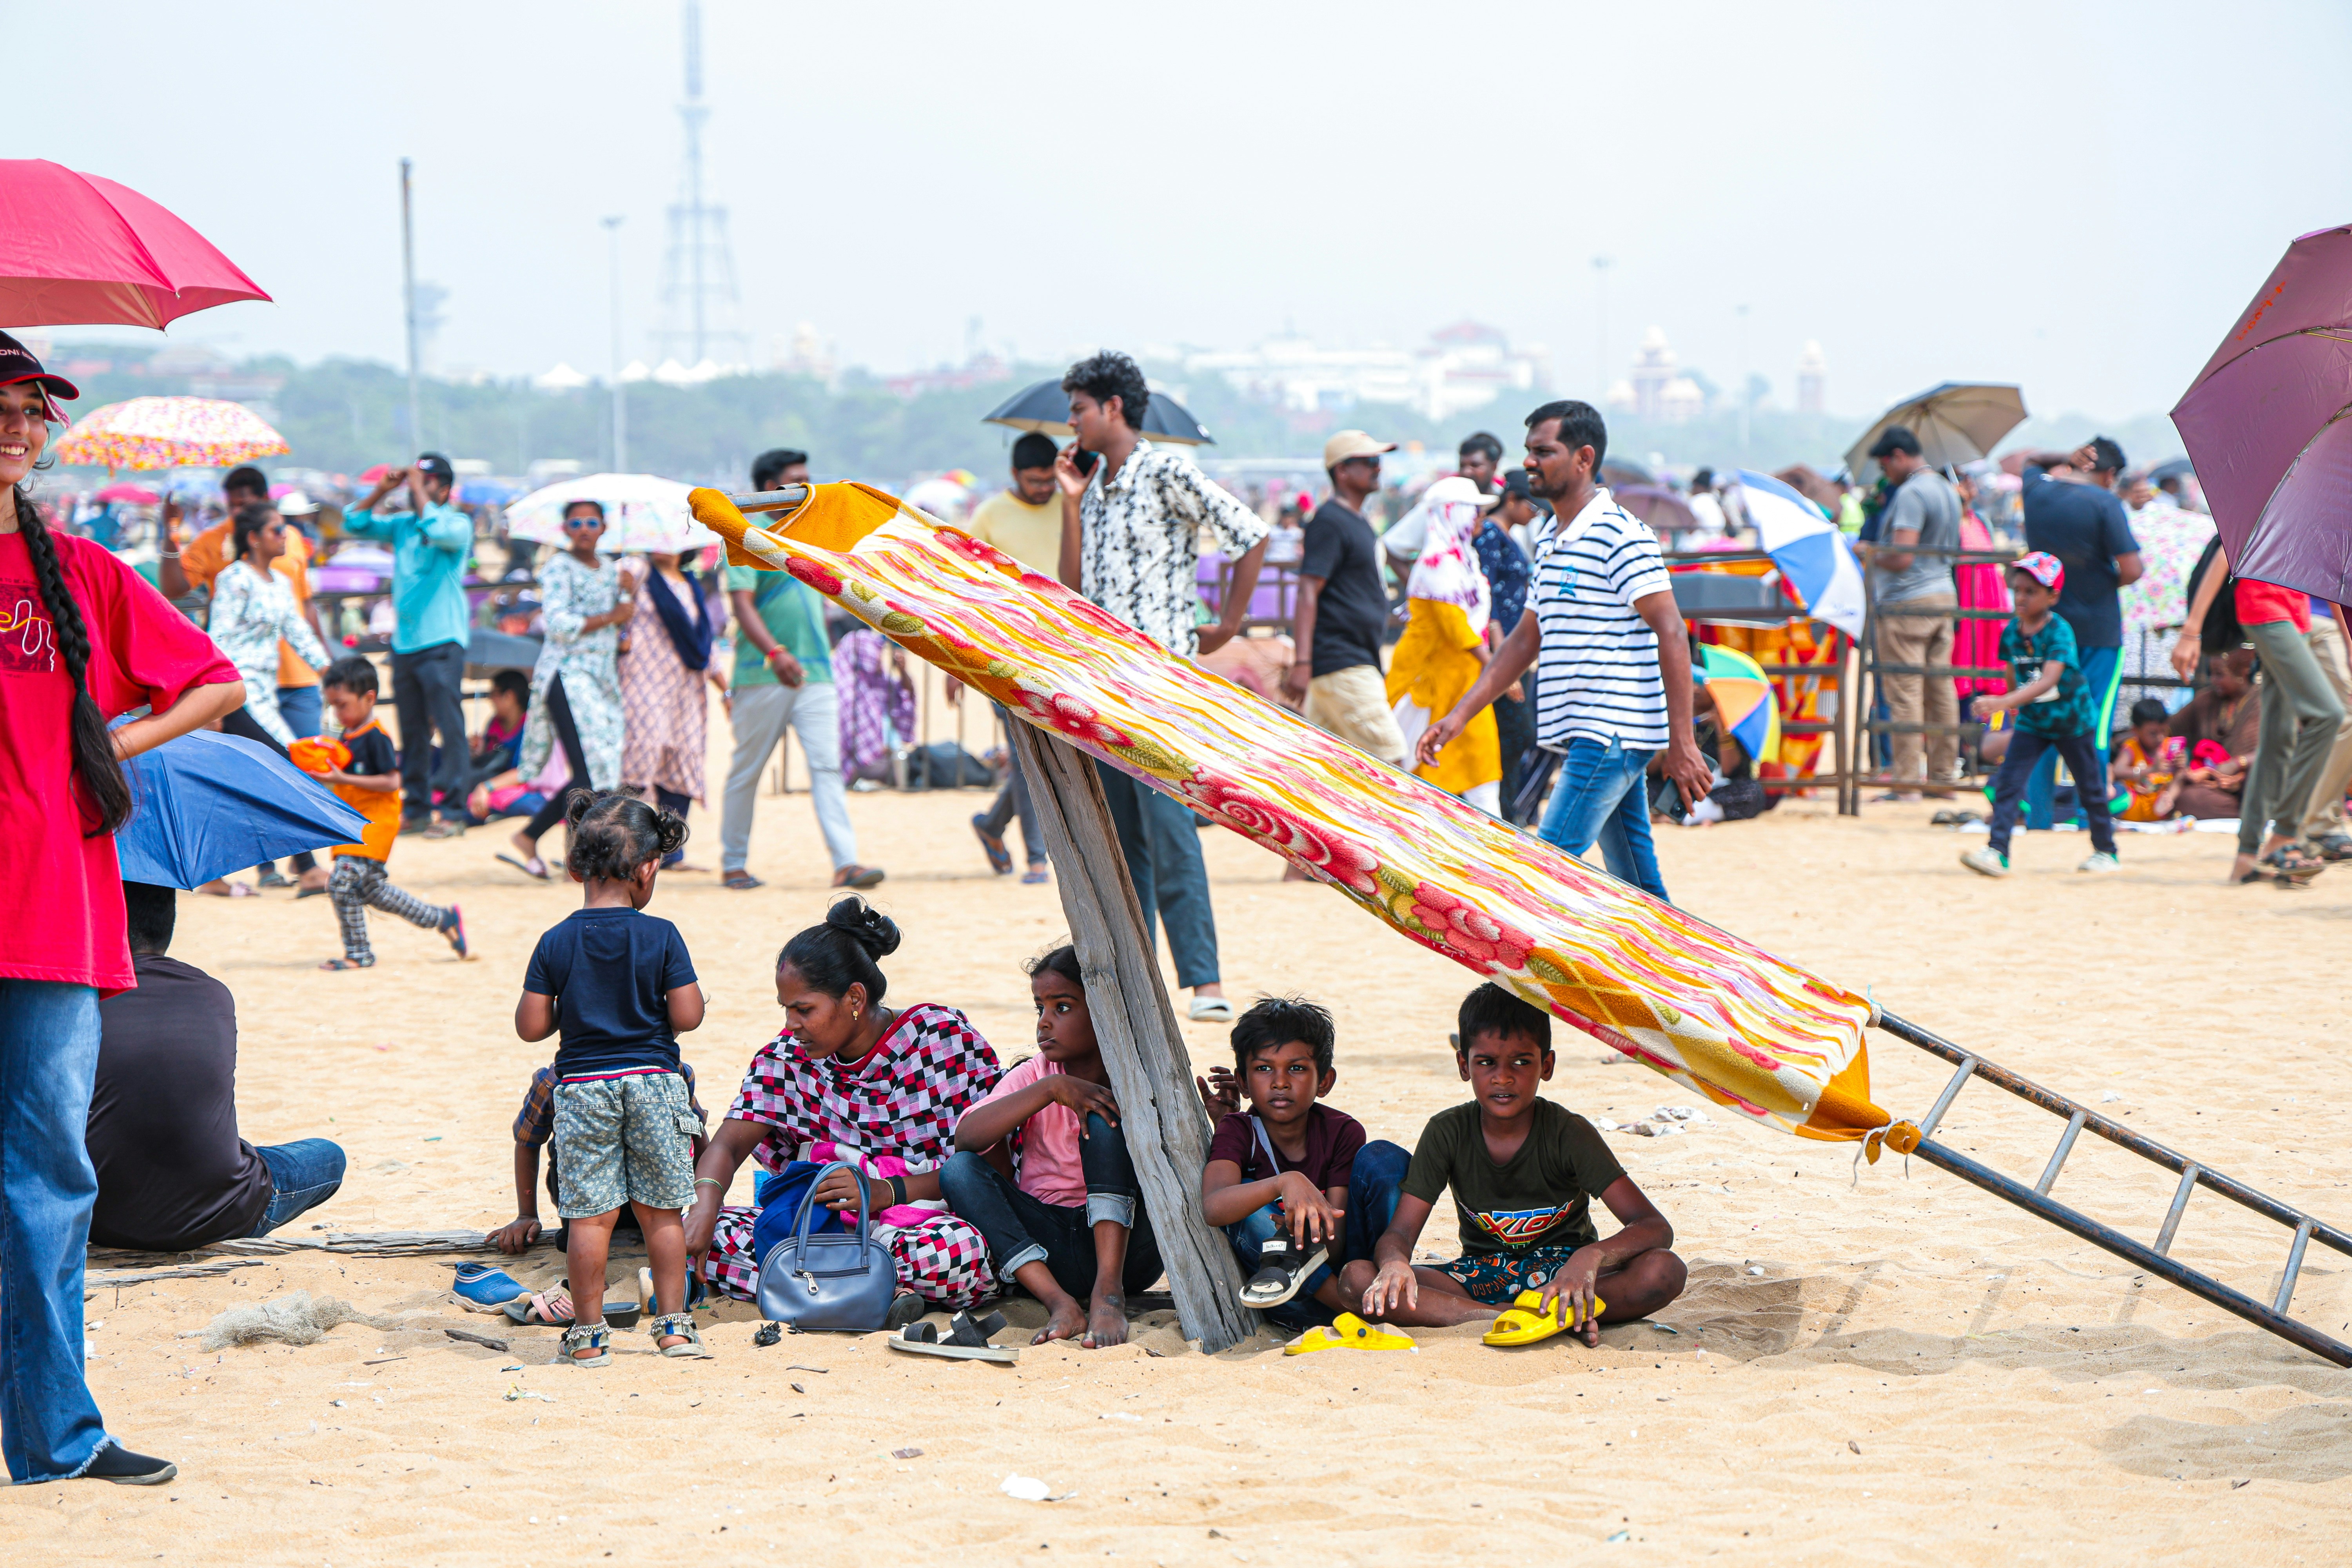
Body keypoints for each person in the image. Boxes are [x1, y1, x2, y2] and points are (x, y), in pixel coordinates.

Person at [0, 333, 247, 1487]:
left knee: (51, 1178)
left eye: (32, 407)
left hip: (52, 913)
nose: (18, 424)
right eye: (1, 403)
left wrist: (100, 738)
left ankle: (55, 1437)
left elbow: (216, 681)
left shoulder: (85, 573)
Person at [1416, 401, 1710, 902]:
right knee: (1636, 881)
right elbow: (1525, 639)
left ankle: (1509, 985)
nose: (1530, 462)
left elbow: (1673, 632)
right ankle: (1685, 975)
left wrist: (1681, 741)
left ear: (1583, 458)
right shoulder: (1551, 537)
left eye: (1544, 451)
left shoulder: (1620, 535)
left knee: (1545, 872)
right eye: (1529, 451)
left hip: (1611, 729)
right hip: (1590, 732)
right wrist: (1459, 715)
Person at [1054, 350, 1267, 1022]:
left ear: (1113, 407)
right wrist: (1069, 503)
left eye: (1080, 409)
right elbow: (1071, 590)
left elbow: (1250, 535)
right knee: (1123, 838)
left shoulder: (1167, 470)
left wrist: (1229, 622)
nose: (1074, 422)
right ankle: (1141, 979)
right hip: (1106, 681)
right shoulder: (1095, 487)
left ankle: (1205, 982)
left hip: (1164, 684)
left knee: (1172, 828)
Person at [684, 900, 1000, 1312]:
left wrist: (886, 1192)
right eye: (786, 1009)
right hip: (821, 1231)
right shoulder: (788, 1059)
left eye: (804, 1009)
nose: (791, 1024)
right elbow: (727, 1145)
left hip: (920, 1223)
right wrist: (706, 1203)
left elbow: (990, 1166)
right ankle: (878, 1290)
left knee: (957, 1252)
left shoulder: (941, 1042)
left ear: (854, 998)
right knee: (718, 1233)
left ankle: (806, 1288)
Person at [1340, 984, 1686, 1340]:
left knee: (1663, 1270)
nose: (1503, 1077)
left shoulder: (1570, 1133)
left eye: (1521, 1062)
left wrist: (1589, 1258)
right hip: (1482, 1276)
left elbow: (1654, 1227)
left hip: (1564, 1275)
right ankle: (1512, 1318)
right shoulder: (1447, 1131)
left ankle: (1541, 1312)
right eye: (1486, 1062)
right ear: (1464, 1064)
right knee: (1359, 1280)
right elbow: (1399, 1234)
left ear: (1546, 1065)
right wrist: (1395, 1263)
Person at [514, 792, 709, 1363]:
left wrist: (565, 1005)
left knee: (590, 1220)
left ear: (576, 868)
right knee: (662, 1215)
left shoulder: (556, 941)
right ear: (648, 868)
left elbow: (531, 1027)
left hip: (583, 1090)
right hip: (652, 1082)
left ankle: (588, 1337)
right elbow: (687, 1017)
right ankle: (674, 1328)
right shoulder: (662, 935)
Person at [91, 882, 348, 1250]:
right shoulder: (211, 991)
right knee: (327, 1156)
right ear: (169, 924)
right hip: (220, 1213)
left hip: (98, 1220)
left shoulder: (80, 998)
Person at [941, 946, 1159, 1348]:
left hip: (1129, 1249)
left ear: (1104, 1012)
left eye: (1063, 1007)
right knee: (958, 1171)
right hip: (1049, 1247)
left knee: (1100, 1116)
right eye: (1040, 1007)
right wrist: (1051, 1090)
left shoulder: (1140, 1074)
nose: (1044, 1023)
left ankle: (1108, 1295)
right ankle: (1060, 1303)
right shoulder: (1037, 1075)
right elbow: (968, 1138)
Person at [718, 448, 882, 892]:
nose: (805, 489)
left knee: (828, 767)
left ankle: (846, 863)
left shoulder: (808, 534)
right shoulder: (744, 533)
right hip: (761, 671)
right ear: (770, 488)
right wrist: (774, 653)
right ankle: (734, 862)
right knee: (748, 769)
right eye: (796, 482)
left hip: (816, 670)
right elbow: (741, 604)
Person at [1195, 996, 1409, 1330]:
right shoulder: (1239, 1130)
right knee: (1249, 1202)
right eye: (1264, 1069)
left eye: (1296, 1068)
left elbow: (1335, 1246)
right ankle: (1355, 1309)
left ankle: (1375, 1286)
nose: (1280, 1082)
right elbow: (1213, 1206)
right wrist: (1284, 1183)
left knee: (1386, 1158)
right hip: (1285, 1296)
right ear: (1243, 1082)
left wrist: (1302, 1215)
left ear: (1324, 1081)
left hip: (1351, 1273)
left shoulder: (1342, 1131)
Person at [165, 471, 331, 893]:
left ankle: (220, 871)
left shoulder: (276, 583)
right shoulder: (235, 579)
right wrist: (212, 703)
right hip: (233, 692)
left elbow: (298, 631)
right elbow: (216, 639)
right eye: (278, 529)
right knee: (282, 763)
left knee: (248, 776)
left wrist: (332, 672)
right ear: (255, 538)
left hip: (263, 695)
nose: (285, 535)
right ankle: (306, 866)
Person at [2171, 545, 2343, 884]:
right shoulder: (2278, 493)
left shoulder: (2316, 503)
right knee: (2327, 715)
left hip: (2299, 615)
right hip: (2263, 607)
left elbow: (2330, 575)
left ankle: (2247, 858)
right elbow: (2227, 554)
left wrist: (2349, 641)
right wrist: (2191, 630)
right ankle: (2285, 833)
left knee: (2278, 739)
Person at [1960, 553, 2121, 878]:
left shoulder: (2060, 632)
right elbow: (2013, 672)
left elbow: (2050, 679)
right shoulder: (2012, 633)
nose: (2021, 597)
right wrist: (2014, 709)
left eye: (2031, 592)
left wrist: (2002, 702)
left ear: (2053, 597)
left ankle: (2106, 851)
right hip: (2034, 722)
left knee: (2090, 786)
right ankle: (1998, 851)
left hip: (2072, 722)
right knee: (2009, 783)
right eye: (2018, 590)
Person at [341, 454, 475, 837]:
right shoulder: (403, 525)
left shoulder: (457, 523)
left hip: (443, 642)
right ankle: (417, 809)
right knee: (413, 729)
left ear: (445, 489)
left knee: (451, 728)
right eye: (419, 478)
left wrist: (416, 488)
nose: (419, 484)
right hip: (406, 643)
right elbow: (355, 521)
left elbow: (438, 528)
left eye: (429, 480)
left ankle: (453, 812)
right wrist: (383, 489)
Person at [310, 657, 469, 969]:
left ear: (369, 698)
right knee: (372, 891)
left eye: (342, 705)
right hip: (353, 828)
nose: (338, 714)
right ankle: (442, 918)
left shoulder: (376, 736)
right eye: (332, 707)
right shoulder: (350, 735)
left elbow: (392, 781)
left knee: (341, 883)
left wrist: (341, 779)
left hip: (373, 828)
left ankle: (358, 953)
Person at [2020, 439, 2143, 826]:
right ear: (2109, 475)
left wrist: (2062, 455)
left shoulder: (2036, 491)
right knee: (2093, 726)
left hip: (2046, 629)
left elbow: (2028, 459)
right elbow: (2132, 569)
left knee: (2041, 720)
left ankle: (2039, 817)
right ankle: (2090, 818)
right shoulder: (2105, 503)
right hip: (2098, 629)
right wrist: (2100, 580)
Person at [961, 432, 1066, 883]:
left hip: (1064, 654)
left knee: (1052, 752)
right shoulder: (988, 517)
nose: (1044, 488)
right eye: (1034, 480)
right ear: (1015, 475)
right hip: (1003, 655)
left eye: (1049, 480)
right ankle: (1037, 858)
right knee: (1028, 755)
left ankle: (992, 824)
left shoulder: (1072, 507)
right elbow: (961, 590)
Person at [506, 500, 630, 881]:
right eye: (576, 522)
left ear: (604, 526)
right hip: (567, 674)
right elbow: (558, 624)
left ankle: (536, 838)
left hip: (602, 678)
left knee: (596, 769)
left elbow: (621, 624)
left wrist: (626, 594)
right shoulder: (559, 567)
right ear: (565, 528)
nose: (584, 528)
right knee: (588, 771)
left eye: (591, 521)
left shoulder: (612, 569)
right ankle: (578, 857)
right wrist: (612, 616)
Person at [490, 1058, 707, 1256]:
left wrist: (705, 1210)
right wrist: (526, 1215)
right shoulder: (556, 1079)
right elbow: (528, 1142)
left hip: (640, 1205)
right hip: (601, 1206)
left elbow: (696, 1133)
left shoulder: (674, 1071)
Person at [1283, 430, 1408, 767]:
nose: (1377, 469)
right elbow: (1309, 589)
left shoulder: (1358, 522)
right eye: (1369, 462)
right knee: (1393, 764)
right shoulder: (1330, 520)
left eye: (1378, 462)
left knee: (1325, 774)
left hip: (1351, 660)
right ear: (1342, 471)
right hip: (1343, 661)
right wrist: (1303, 662)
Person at [1387, 476, 1504, 812]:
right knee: (1411, 776)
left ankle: (1491, 853)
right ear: (1455, 513)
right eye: (1475, 511)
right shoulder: (1436, 563)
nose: (1481, 517)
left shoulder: (1464, 559)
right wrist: (1498, 669)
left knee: (1480, 771)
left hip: (1464, 682)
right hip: (1428, 688)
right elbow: (1457, 629)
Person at [1860, 427, 1964, 800]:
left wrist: (1869, 551)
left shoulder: (1911, 493)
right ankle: (1942, 778)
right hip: (1942, 595)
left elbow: (1903, 555)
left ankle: (1905, 783)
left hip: (1907, 602)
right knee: (1941, 693)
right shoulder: (1946, 490)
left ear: (1898, 456)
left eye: (1885, 465)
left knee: (1904, 693)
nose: (1885, 474)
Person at [619, 548, 725, 860]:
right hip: (642, 683)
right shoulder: (635, 569)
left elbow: (705, 645)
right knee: (639, 759)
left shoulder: (692, 583)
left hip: (686, 689)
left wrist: (726, 691)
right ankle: (622, 851)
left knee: (682, 759)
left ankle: (671, 855)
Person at [1474, 473, 1537, 818]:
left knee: (1512, 735)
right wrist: (1502, 662)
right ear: (1511, 499)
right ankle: (1501, 811)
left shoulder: (1508, 536)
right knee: (1516, 733)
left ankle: (1507, 812)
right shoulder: (1490, 537)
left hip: (1516, 649)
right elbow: (1490, 602)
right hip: (1504, 651)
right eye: (1531, 506)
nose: (1535, 513)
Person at [2167, 648, 2260, 820]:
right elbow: (2168, 728)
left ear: (2243, 672)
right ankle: (2244, 816)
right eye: (2212, 674)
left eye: (2220, 674)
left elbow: (2279, 747)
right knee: (2189, 798)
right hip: (2217, 790)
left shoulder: (2264, 701)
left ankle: (2253, 814)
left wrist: (2239, 763)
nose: (2213, 680)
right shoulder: (2207, 700)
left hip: (2252, 786)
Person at [2110, 697, 2187, 823]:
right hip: (2134, 804)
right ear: (2136, 731)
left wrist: (2181, 764)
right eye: (2153, 733)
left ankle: (2168, 800)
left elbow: (2180, 775)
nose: (2160, 737)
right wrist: (2151, 769)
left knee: (2182, 776)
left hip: (2161, 804)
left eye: (2164, 731)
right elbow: (2118, 770)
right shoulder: (2132, 747)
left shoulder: (2170, 746)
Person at [1686, 467, 1728, 540]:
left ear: (1699, 486)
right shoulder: (1713, 500)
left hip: (1700, 542)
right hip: (1717, 540)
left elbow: (1690, 526)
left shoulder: (1696, 500)